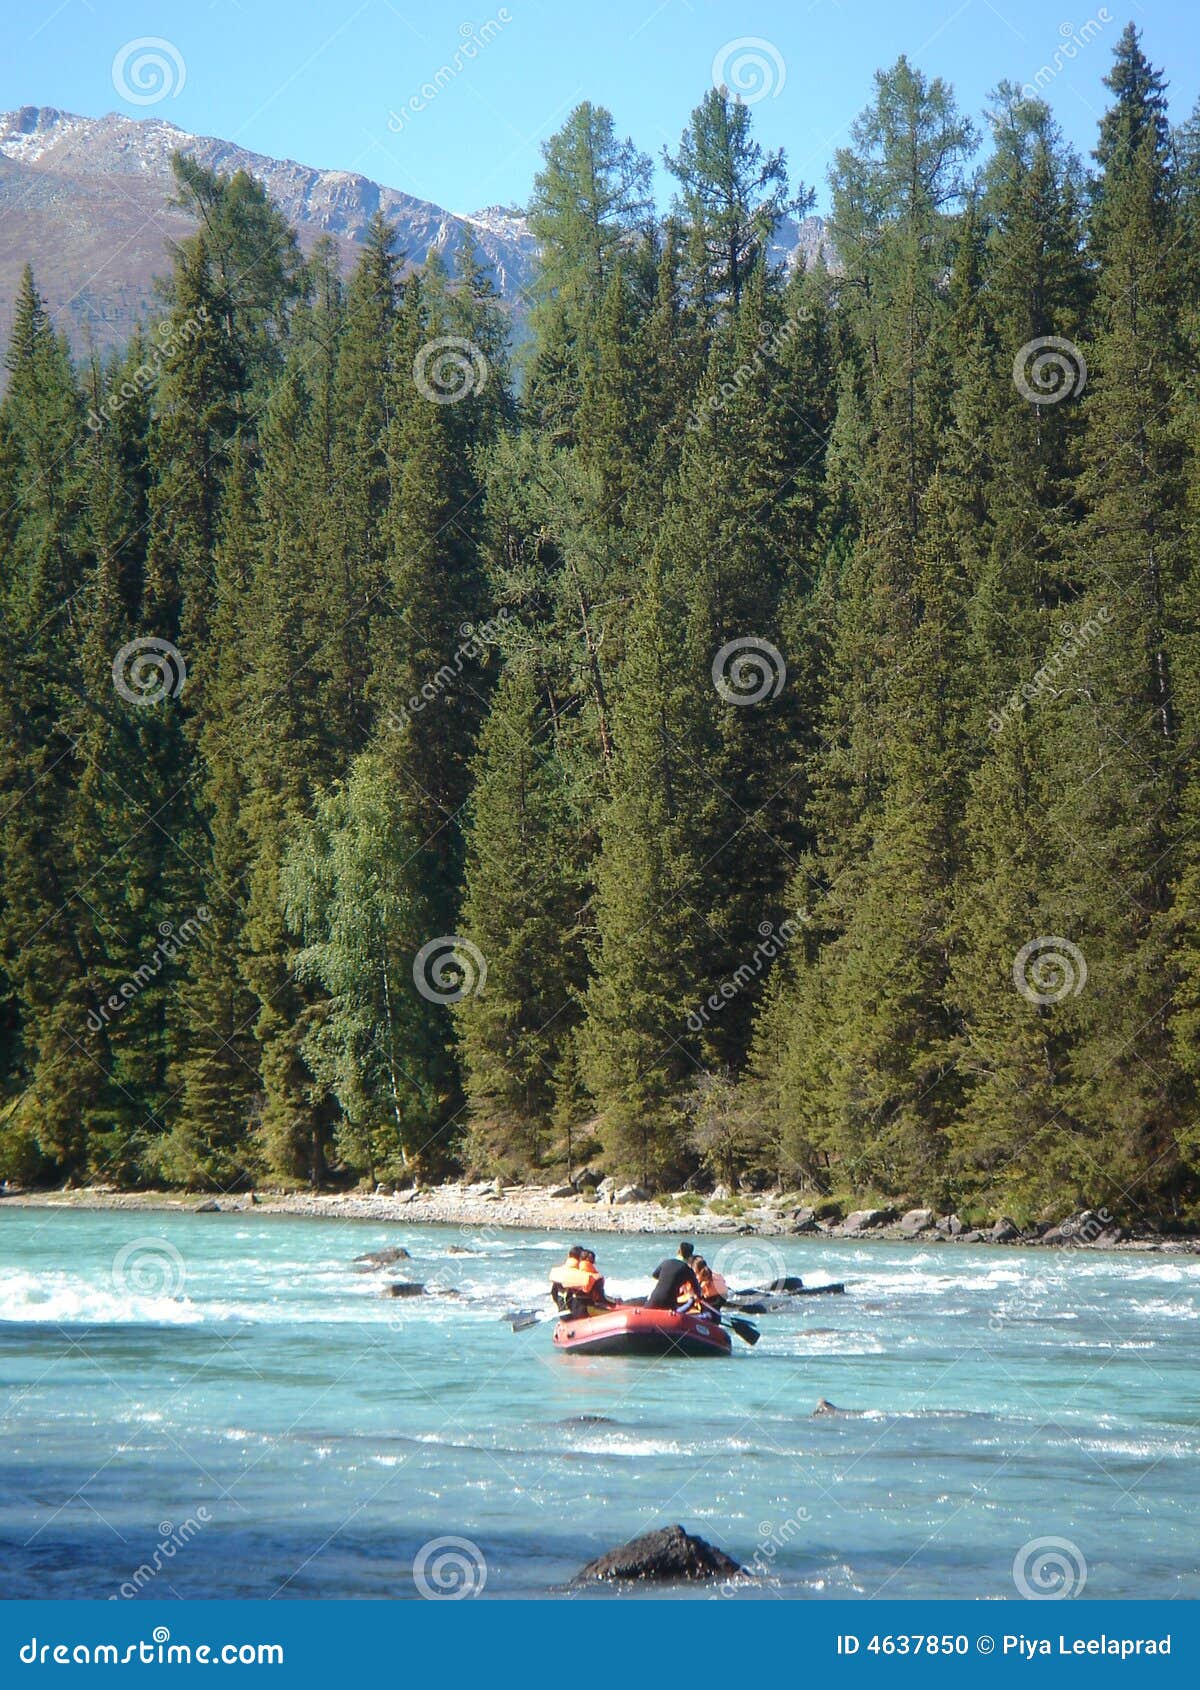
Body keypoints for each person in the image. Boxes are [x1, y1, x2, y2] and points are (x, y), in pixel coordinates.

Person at [646, 1240, 704, 1311]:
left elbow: (655, 1275)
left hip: (653, 1300)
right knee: (688, 1304)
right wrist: (696, 1297)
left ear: (679, 1251)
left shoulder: (666, 1262)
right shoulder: (688, 1270)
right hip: (669, 1304)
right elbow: (697, 1290)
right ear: (690, 1256)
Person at [548, 1245, 588, 1311]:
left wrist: (559, 1306)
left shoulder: (559, 1272)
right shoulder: (583, 1274)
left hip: (563, 1312)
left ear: (569, 1256)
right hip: (580, 1312)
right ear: (582, 1258)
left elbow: (553, 1292)